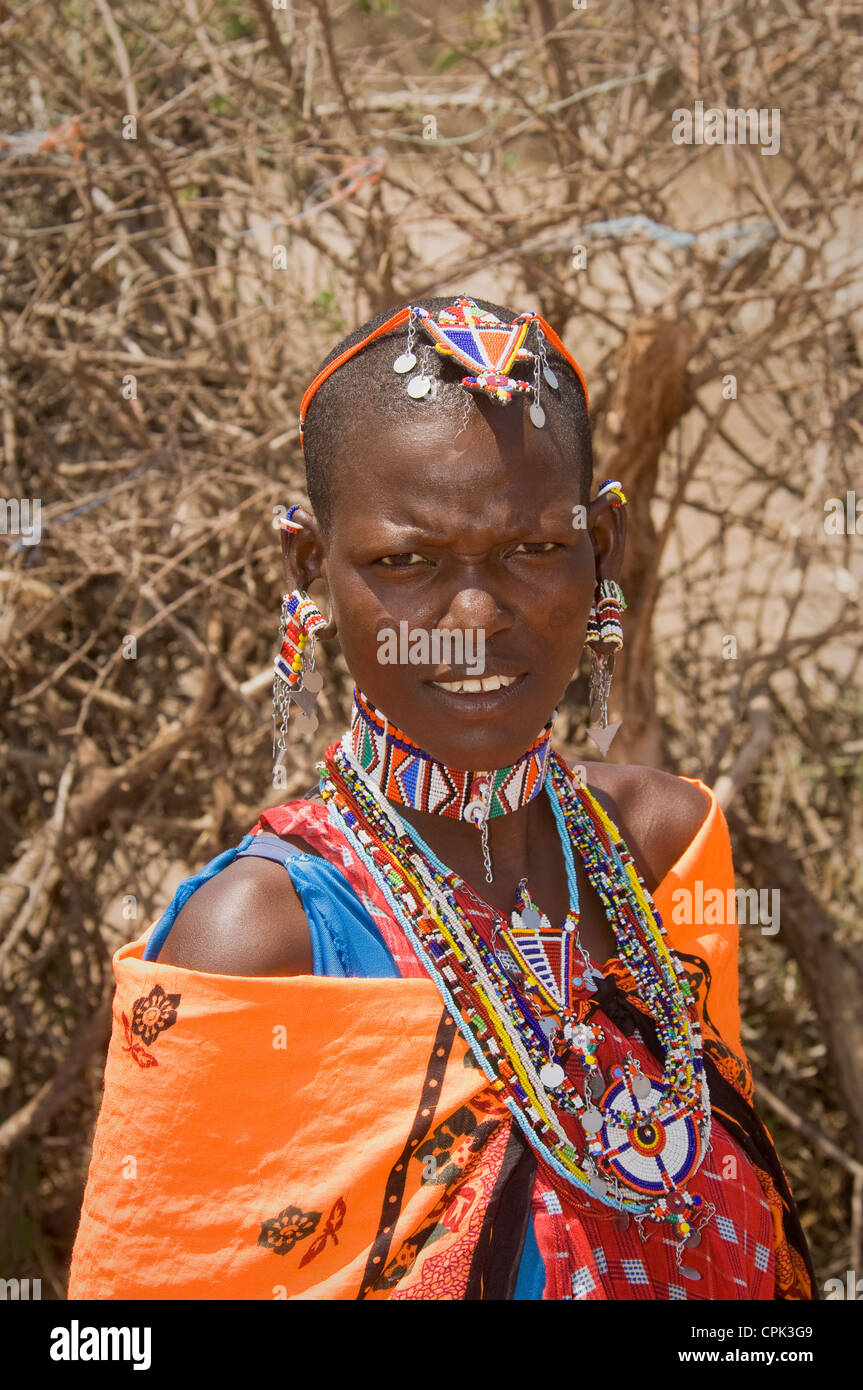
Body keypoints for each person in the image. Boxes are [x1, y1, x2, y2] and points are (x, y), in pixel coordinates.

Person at [68, 296, 814, 1301]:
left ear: (603, 542)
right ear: (307, 569)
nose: (471, 617)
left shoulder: (660, 852)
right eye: (404, 563)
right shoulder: (258, 946)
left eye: (533, 548)